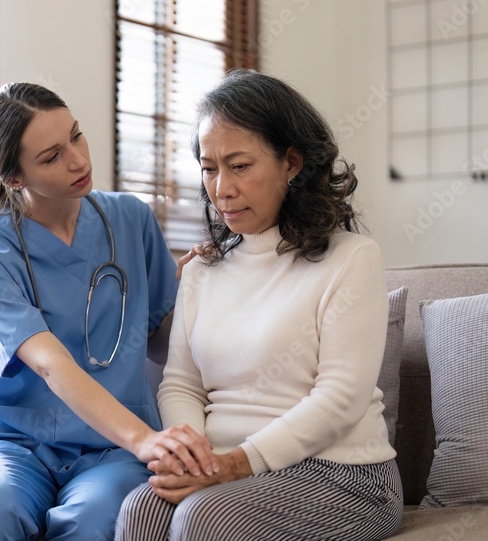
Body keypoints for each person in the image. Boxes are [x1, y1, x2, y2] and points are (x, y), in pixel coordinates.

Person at [115, 69, 404, 540]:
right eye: (209, 167)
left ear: (291, 163)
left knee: (204, 517)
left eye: (240, 166)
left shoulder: (351, 258)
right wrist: (193, 454)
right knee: (140, 510)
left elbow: (341, 398)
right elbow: (182, 383)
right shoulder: (204, 270)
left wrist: (235, 464)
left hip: (343, 474)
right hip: (224, 471)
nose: (221, 188)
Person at [0, 82, 218, 541]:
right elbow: (51, 363)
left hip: (112, 449)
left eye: (76, 136)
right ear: (14, 178)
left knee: (98, 517)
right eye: (51, 157)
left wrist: (191, 291)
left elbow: (162, 343)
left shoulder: (131, 219)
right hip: (16, 443)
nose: (79, 160)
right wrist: (144, 440)